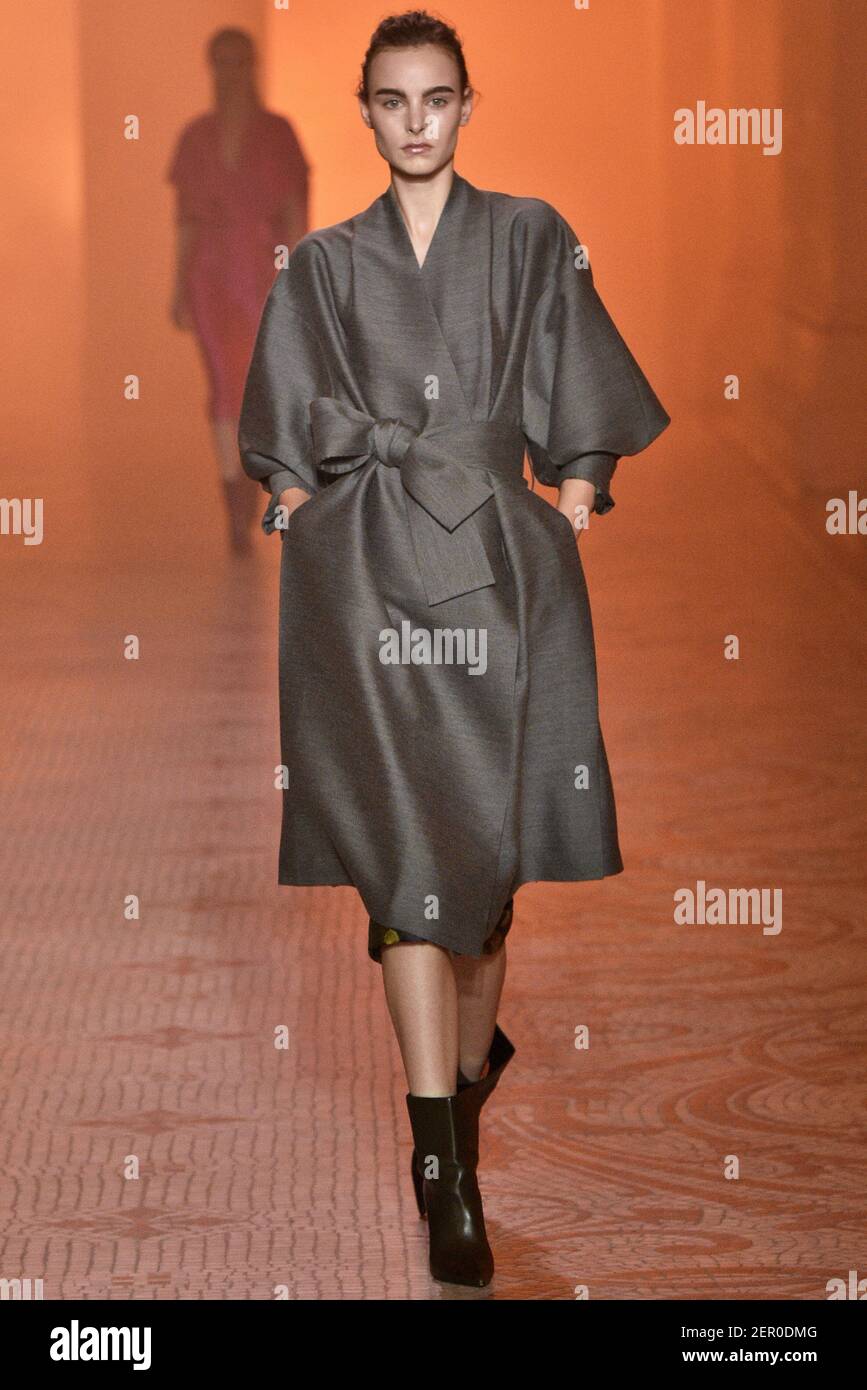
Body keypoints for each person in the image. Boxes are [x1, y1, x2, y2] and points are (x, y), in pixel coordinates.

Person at [238, 9, 670, 1290]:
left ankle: (469, 1077)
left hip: (496, 574)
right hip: (371, 573)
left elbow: (572, 372)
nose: (415, 121)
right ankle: (447, 1174)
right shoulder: (321, 262)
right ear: (361, 110)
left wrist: (581, 477)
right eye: (391, 100)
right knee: (406, 867)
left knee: (481, 892)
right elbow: (285, 412)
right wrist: (295, 493)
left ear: (467, 105)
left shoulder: (529, 233)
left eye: (436, 98)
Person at [167, 27, 309, 553]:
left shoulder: (277, 134)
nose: (230, 72)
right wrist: (177, 285)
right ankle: (233, 508)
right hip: (210, 272)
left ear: (251, 66)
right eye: (220, 61)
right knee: (221, 382)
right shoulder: (195, 136)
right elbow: (184, 217)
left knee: (253, 383)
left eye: (238, 61)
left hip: (263, 269)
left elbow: (296, 211)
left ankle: (248, 493)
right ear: (211, 67)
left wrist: (299, 279)